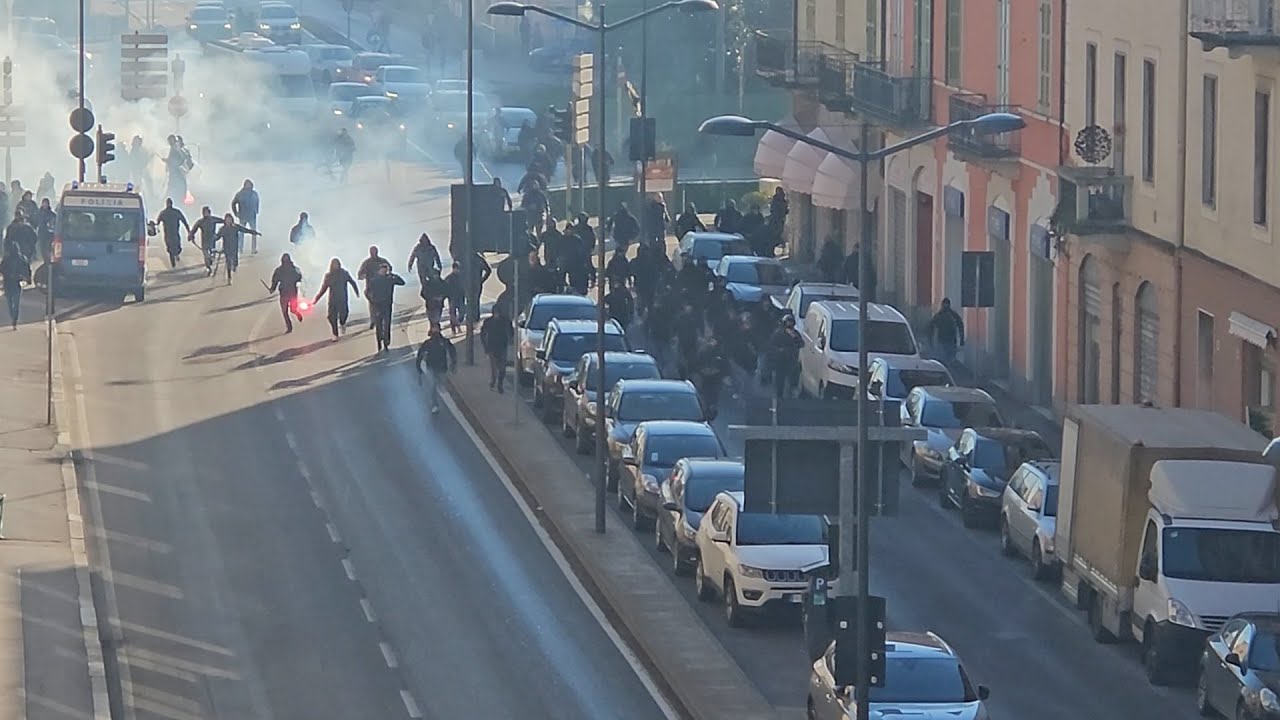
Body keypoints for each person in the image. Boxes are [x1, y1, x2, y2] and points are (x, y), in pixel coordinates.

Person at [313, 257, 359, 340]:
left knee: (344, 314)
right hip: (332, 300)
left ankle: (342, 323)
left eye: (337, 264)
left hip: (343, 298)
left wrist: (357, 292)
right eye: (334, 265)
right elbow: (324, 288)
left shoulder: (344, 273)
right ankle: (335, 334)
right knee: (331, 317)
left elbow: (352, 282)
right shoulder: (328, 276)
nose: (335, 266)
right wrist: (316, 299)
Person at [416, 322, 457, 413]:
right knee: (432, 385)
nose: (435, 330)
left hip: (442, 367)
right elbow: (420, 354)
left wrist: (453, 363)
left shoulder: (444, 341)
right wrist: (418, 367)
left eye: (436, 328)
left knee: (440, 384)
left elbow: (452, 351)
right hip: (431, 367)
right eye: (433, 329)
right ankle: (435, 404)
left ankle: (440, 388)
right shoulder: (427, 343)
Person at [366, 263, 405, 352]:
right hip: (377, 305)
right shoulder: (374, 280)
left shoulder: (389, 279)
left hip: (387, 305)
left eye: (385, 269)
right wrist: (372, 300)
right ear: (379, 270)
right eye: (382, 269)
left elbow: (402, 282)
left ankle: (386, 342)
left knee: (387, 325)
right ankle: (379, 342)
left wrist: (393, 275)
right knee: (379, 325)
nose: (384, 271)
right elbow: (367, 291)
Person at [768, 314, 804, 401]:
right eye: (788, 322)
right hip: (780, 361)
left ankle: (791, 396)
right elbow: (771, 345)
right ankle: (779, 398)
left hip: (792, 361)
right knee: (779, 381)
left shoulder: (795, 334)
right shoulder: (778, 333)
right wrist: (780, 350)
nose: (789, 324)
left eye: (791, 322)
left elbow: (801, 344)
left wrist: (794, 337)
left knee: (792, 381)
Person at [215, 213, 259, 284]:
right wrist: (213, 238)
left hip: (235, 247)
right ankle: (229, 278)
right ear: (225, 220)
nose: (228, 221)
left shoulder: (235, 227)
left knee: (235, 262)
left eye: (229, 219)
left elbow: (245, 230)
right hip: (227, 248)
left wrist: (254, 232)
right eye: (227, 219)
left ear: (232, 220)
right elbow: (218, 236)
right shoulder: (223, 229)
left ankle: (234, 266)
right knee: (228, 262)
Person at [357, 246, 392, 327]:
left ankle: (380, 319)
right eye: (372, 251)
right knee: (372, 304)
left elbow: (390, 268)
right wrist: (363, 276)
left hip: (382, 286)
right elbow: (360, 275)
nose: (374, 253)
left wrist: (387, 273)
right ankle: (373, 320)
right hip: (371, 287)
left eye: (375, 251)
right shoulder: (366, 263)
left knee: (380, 303)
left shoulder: (382, 261)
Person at [268, 253, 305, 332]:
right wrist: (272, 288)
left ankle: (295, 316)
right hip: (287, 292)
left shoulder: (288, 270)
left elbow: (299, 277)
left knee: (290, 310)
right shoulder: (284, 270)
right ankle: (289, 326)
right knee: (287, 310)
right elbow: (275, 280)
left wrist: (272, 289)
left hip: (289, 292)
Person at [480, 308, 512, 393]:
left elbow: (511, 331)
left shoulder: (505, 321)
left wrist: (510, 340)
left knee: (502, 367)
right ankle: (493, 381)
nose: (497, 315)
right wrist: (485, 347)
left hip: (502, 347)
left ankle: (500, 384)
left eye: (498, 313)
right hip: (492, 347)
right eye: (495, 313)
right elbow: (483, 334)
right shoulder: (488, 322)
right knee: (494, 367)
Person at [0, 243, 31, 329]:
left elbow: (1, 268)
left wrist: (7, 274)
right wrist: (28, 279)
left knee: (10, 302)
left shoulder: (6, 259)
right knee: (17, 302)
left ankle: (13, 316)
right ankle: (15, 319)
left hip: (8, 283)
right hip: (17, 282)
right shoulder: (22, 258)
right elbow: (27, 269)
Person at [928, 298, 965, 365]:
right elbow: (960, 326)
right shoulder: (951, 315)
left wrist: (930, 341)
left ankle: (947, 370)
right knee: (948, 360)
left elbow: (931, 328)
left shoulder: (940, 315)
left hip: (945, 341)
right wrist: (962, 340)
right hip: (948, 341)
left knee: (944, 360)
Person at [155, 198, 191, 268]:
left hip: (174, 233)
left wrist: (188, 231)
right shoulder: (165, 213)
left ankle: (176, 254)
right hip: (169, 234)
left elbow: (184, 221)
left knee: (177, 247)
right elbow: (158, 222)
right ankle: (173, 262)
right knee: (170, 248)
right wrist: (157, 228)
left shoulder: (174, 212)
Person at [188, 206, 224, 275]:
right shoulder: (200, 222)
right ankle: (209, 268)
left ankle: (210, 262)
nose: (205, 214)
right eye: (204, 212)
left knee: (212, 255)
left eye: (206, 212)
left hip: (212, 240)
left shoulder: (213, 219)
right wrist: (191, 236)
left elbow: (224, 222)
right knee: (206, 255)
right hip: (204, 241)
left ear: (209, 212)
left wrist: (221, 233)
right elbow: (194, 229)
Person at [231, 180, 260, 254]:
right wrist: (235, 213)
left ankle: (253, 249)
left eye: (250, 185)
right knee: (241, 233)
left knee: (254, 232)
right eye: (247, 185)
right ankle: (240, 249)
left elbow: (257, 201)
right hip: (242, 216)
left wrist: (256, 210)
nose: (249, 186)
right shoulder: (240, 194)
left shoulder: (254, 193)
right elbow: (233, 203)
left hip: (252, 216)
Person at [443, 260, 465, 333]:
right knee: (452, 314)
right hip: (452, 298)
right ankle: (454, 329)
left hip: (461, 297)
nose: (458, 270)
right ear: (453, 269)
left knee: (462, 312)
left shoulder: (462, 277)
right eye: (456, 268)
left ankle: (458, 323)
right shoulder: (449, 278)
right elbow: (444, 288)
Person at [33, 198, 55, 263]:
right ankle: (45, 260)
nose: (45, 205)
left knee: (48, 248)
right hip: (41, 233)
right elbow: (35, 222)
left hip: (49, 234)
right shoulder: (38, 213)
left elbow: (55, 223)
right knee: (42, 248)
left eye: (46, 203)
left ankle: (48, 260)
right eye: (44, 203)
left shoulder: (52, 214)